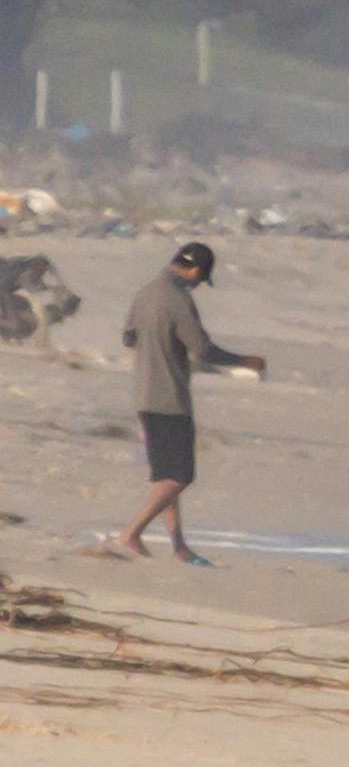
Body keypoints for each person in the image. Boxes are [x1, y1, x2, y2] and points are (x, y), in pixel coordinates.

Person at [111, 241, 264, 562]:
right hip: (169, 397)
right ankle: (131, 534)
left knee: (167, 476)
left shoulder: (146, 292)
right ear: (195, 271)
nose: (197, 285)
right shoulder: (178, 299)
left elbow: (129, 338)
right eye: (200, 279)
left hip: (143, 393)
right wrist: (246, 361)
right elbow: (203, 350)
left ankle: (178, 545)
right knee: (180, 477)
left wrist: (157, 348)